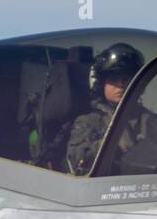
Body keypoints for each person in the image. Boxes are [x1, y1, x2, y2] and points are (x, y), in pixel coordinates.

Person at [65, 42, 152, 175]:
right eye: (114, 79)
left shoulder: (149, 120)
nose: (121, 84)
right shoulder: (88, 121)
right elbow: (75, 158)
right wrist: (110, 145)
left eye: (127, 78)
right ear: (102, 84)